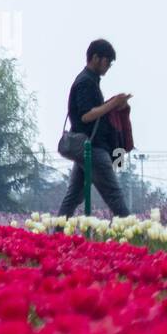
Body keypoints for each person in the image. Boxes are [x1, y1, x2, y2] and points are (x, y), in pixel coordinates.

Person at [59, 39, 131, 218]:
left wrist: (116, 105)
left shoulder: (91, 81)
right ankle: (138, 237)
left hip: (89, 147)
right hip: (93, 148)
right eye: (107, 61)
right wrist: (113, 103)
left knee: (73, 197)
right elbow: (86, 115)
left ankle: (56, 235)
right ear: (96, 58)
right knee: (114, 195)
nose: (108, 66)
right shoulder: (85, 82)